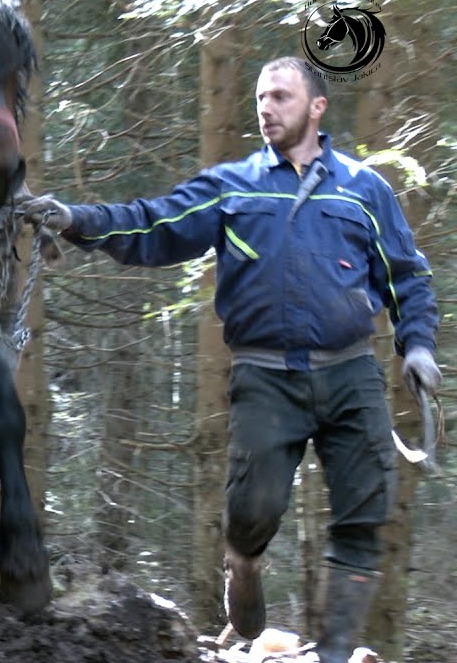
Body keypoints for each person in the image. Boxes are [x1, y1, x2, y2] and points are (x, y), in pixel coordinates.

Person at [26, 56, 440, 663]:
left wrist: (419, 345)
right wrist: (75, 221)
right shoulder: (234, 185)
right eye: (259, 98)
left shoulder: (364, 189)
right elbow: (156, 223)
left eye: (279, 96)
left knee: (362, 514)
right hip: (266, 374)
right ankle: (241, 565)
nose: (266, 108)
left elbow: (407, 276)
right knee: (252, 514)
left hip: (351, 372)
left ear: (316, 107)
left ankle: (335, 653)